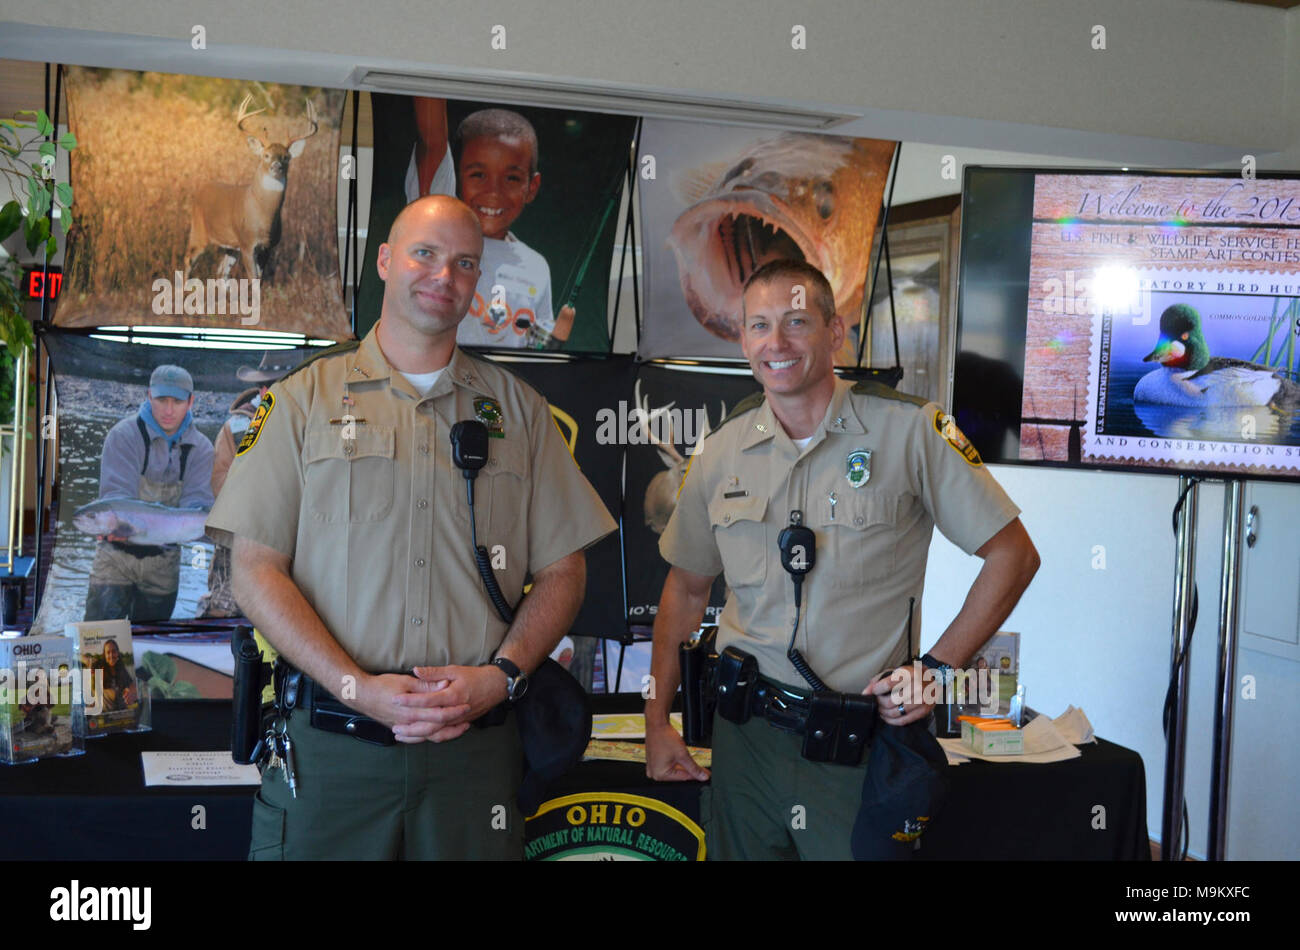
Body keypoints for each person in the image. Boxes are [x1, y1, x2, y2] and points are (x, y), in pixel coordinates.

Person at [206, 194, 616, 860]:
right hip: (330, 757)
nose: (443, 276)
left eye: (464, 263)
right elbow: (254, 571)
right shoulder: (297, 403)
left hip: (472, 762)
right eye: (425, 254)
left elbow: (565, 571)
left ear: (477, 283)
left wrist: (503, 676)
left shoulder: (521, 414)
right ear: (386, 261)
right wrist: (355, 687)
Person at [644, 259, 1040, 860]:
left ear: (836, 332)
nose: (775, 343)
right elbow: (686, 589)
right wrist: (656, 722)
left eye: (796, 321)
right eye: (759, 325)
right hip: (744, 742)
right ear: (742, 338)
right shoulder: (722, 450)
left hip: (855, 747)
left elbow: (1013, 554)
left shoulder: (911, 431)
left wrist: (935, 670)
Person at [83, 365, 215, 622]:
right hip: (114, 560)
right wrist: (117, 526)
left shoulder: (201, 449)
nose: (168, 410)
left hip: (164, 563)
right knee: (98, 643)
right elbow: (116, 496)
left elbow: (197, 505)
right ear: (148, 396)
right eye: (161, 400)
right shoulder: (123, 436)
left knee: (151, 642)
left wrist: (215, 530)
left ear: (190, 402)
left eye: (176, 401)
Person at [451, 109, 576, 349]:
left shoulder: (536, 266)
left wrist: (555, 340)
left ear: (532, 187)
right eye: (478, 174)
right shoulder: (443, 244)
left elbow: (538, 348)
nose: (494, 192)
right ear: (457, 178)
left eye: (512, 178)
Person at [199, 351, 306, 617]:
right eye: (271, 383)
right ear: (262, 389)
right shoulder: (237, 429)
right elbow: (221, 489)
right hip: (239, 547)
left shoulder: (315, 420)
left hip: (299, 550)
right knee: (227, 620)